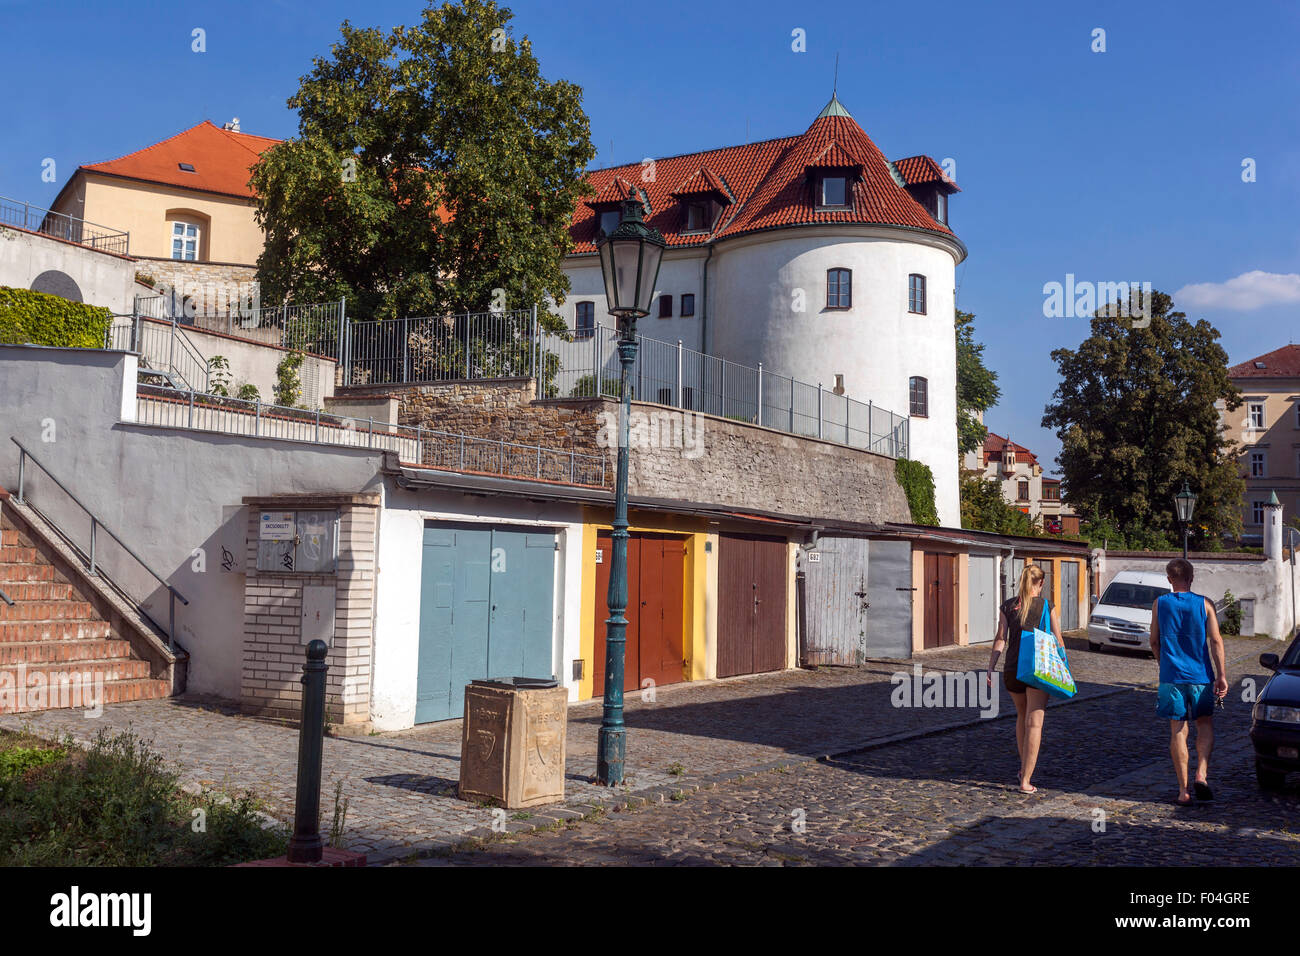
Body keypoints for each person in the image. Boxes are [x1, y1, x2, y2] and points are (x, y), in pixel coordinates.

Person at [1149, 558, 1228, 805]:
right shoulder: (1204, 605)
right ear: (1191, 578)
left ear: (1169, 578)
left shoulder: (1159, 604)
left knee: (1178, 731)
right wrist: (1222, 675)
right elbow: (1216, 641)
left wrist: (1165, 665)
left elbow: (1153, 640)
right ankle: (1201, 773)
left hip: (1171, 678)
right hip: (1201, 677)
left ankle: (1183, 790)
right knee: (1204, 725)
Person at [986, 564, 1064, 793]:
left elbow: (1001, 638)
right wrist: (1064, 667)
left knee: (1022, 716)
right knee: (1035, 722)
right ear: (1040, 583)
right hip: (1037, 669)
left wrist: (990, 668)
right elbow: (1058, 639)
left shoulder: (1008, 606)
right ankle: (1025, 780)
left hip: (1012, 669)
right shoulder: (1046, 606)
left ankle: (1023, 769)